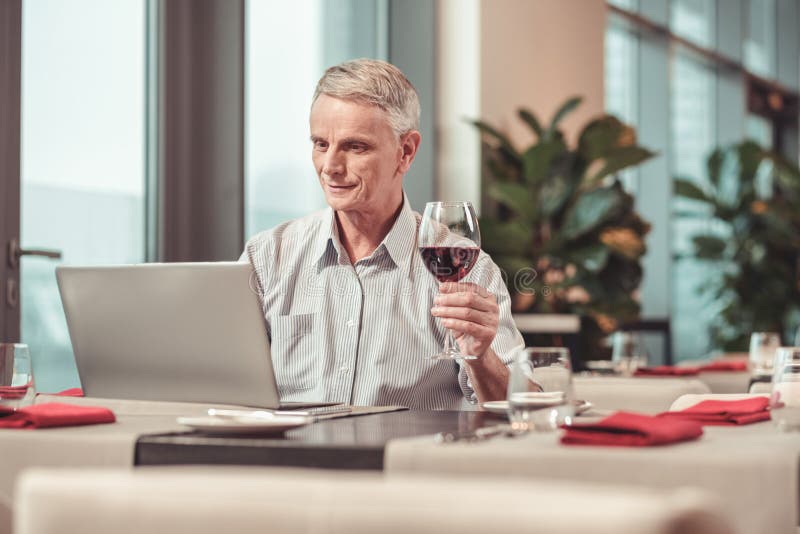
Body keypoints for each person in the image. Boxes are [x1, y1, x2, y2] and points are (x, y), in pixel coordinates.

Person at [241, 58, 523, 410]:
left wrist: (480, 357)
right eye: (320, 144)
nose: (330, 166)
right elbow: (230, 391)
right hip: (289, 462)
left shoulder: (470, 270)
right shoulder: (267, 256)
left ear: (405, 152)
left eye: (355, 147)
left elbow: (522, 410)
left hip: (404, 463)